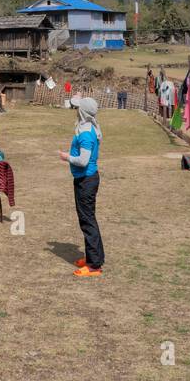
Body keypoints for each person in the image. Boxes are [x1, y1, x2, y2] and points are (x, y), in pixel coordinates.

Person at [59, 96, 104, 277]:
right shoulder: (89, 127)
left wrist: (66, 156)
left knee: (87, 221)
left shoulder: (86, 133)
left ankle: (94, 266)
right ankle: (93, 257)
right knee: (87, 219)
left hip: (86, 180)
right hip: (85, 179)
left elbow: (83, 160)